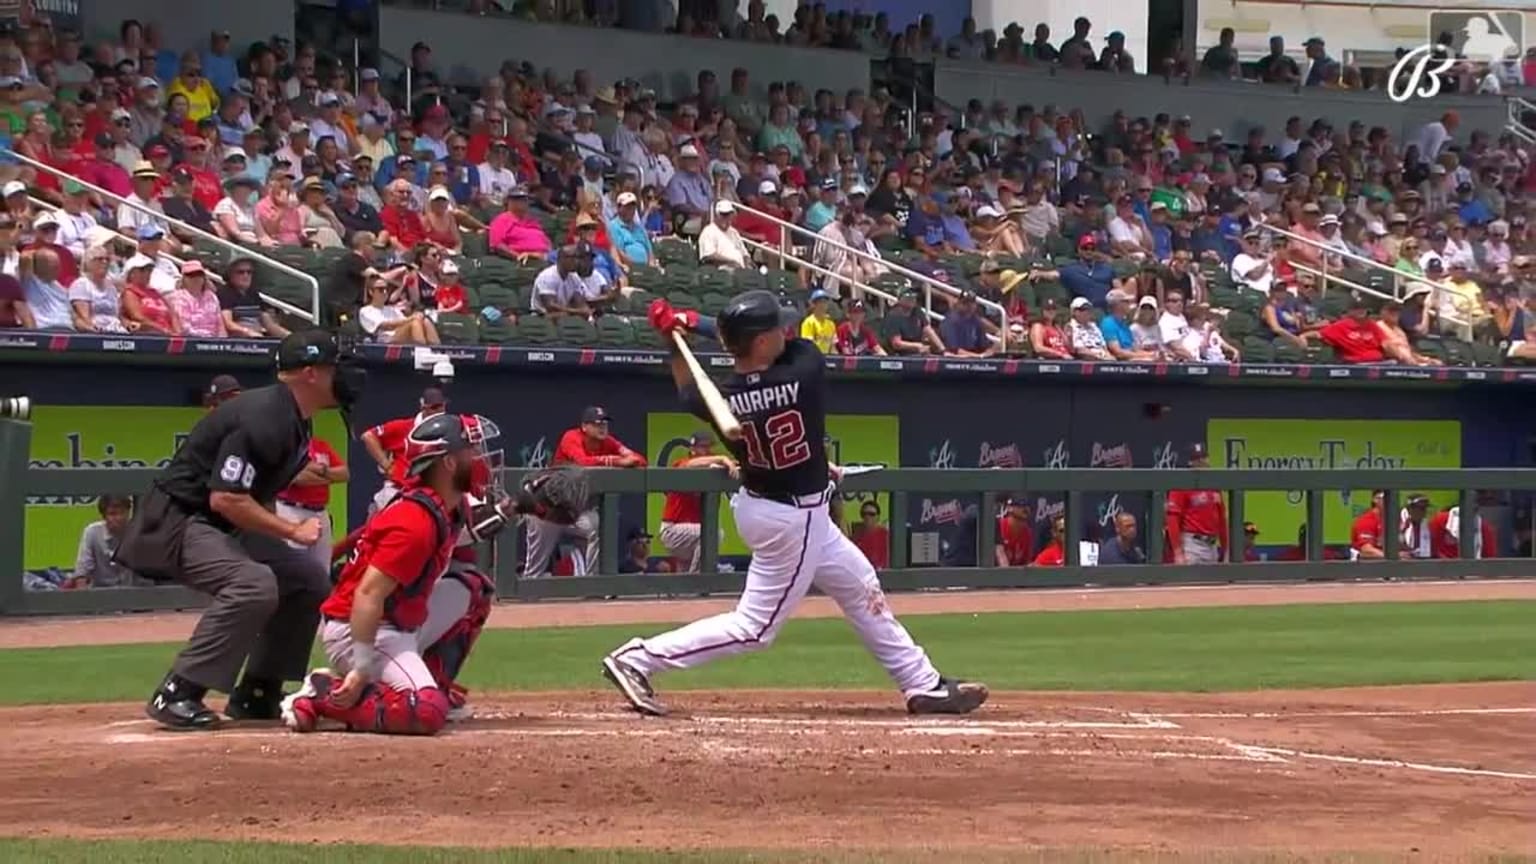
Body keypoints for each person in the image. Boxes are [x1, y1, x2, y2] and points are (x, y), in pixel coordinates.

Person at [600, 293, 989, 717]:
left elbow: (690, 389)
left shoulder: (723, 396)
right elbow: (748, 350)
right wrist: (692, 319)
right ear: (762, 343)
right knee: (755, 629)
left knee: (861, 587)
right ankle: (636, 659)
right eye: (775, 330)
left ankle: (922, 684)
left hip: (771, 504)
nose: (786, 333)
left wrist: (673, 337)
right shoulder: (804, 371)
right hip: (792, 517)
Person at [115, 330, 365, 730]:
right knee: (253, 584)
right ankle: (178, 691)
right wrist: (289, 529)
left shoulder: (293, 419)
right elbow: (225, 498)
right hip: (176, 520)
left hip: (217, 524)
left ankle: (257, 692)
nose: (349, 375)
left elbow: (248, 493)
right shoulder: (264, 415)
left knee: (306, 579)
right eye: (338, 367)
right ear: (310, 373)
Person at [280, 414, 512, 735]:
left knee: (473, 589)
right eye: (469, 450)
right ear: (446, 463)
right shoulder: (413, 521)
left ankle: (431, 686)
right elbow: (368, 594)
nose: (477, 458)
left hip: (398, 621)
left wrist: (524, 504)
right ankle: (324, 695)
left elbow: (475, 525)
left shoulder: (445, 504)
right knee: (427, 712)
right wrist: (361, 667)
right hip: (361, 630)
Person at [526, 405, 646, 577]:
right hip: (548, 509)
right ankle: (529, 590)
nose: (602, 427)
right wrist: (616, 461)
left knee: (600, 525)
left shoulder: (608, 441)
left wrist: (624, 459)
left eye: (605, 423)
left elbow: (640, 460)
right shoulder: (571, 437)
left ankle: (592, 584)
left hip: (577, 511)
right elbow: (582, 462)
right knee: (535, 573)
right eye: (597, 424)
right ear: (584, 427)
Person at [360, 386, 449, 515]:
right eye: (434, 407)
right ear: (423, 408)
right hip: (399, 491)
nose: (439, 411)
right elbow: (368, 436)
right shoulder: (405, 427)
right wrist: (387, 465)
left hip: (429, 494)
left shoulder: (447, 430)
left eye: (442, 406)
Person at [659, 430, 738, 573]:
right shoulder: (681, 463)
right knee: (713, 533)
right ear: (692, 449)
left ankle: (689, 584)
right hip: (673, 531)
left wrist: (726, 464)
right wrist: (721, 459)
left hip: (693, 534)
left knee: (684, 581)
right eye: (702, 447)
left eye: (709, 447)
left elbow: (733, 467)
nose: (707, 450)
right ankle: (698, 576)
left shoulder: (713, 465)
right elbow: (689, 465)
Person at [274, 434, 347, 574]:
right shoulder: (287, 446)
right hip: (291, 510)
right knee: (293, 566)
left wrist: (320, 470)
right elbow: (298, 479)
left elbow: (344, 474)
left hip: (320, 511)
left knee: (323, 566)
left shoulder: (321, 445)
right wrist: (328, 476)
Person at [1166, 443, 1227, 564]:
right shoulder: (1181, 484)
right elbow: (1172, 520)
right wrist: (1178, 552)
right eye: (1196, 458)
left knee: (1212, 582)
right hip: (1191, 545)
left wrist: (1226, 549)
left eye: (1203, 457)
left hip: (1212, 546)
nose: (1201, 461)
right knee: (1192, 582)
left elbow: (1222, 520)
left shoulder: (1214, 485)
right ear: (1190, 462)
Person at [72, 495, 140, 588]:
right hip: (100, 594)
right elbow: (82, 573)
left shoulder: (138, 532)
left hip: (132, 594)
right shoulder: (92, 532)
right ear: (104, 516)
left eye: (122, 513)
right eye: (113, 514)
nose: (119, 518)